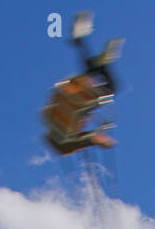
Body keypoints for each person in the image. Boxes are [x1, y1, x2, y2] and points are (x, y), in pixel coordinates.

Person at [43, 12, 124, 155]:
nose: (85, 123)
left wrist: (103, 141)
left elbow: (88, 140)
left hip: (72, 99)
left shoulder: (66, 137)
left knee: (111, 87)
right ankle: (82, 43)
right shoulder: (56, 123)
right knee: (94, 74)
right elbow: (85, 137)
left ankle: (82, 43)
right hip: (68, 92)